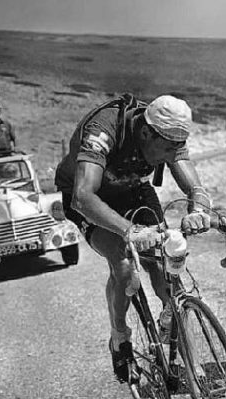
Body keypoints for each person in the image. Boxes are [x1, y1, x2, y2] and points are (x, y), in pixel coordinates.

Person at [55, 94, 211, 382]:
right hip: (90, 197)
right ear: (144, 132)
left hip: (132, 188)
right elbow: (83, 197)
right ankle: (120, 338)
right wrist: (130, 231)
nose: (168, 157)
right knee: (124, 265)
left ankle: (187, 355)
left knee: (164, 263)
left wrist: (199, 204)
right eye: (164, 149)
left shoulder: (166, 132)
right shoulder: (103, 131)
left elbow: (182, 161)